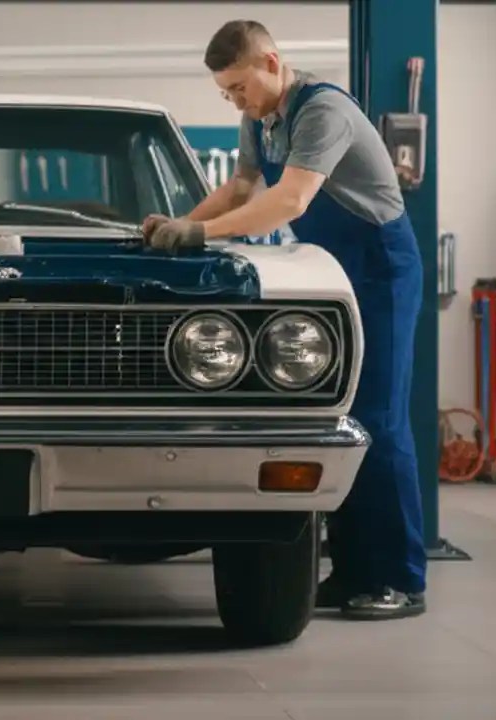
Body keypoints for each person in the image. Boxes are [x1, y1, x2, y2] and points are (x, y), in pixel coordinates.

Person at [143, 19, 427, 620]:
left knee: (380, 419)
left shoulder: (323, 111)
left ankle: (400, 579)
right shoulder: (260, 119)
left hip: (382, 267)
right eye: (226, 93)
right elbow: (240, 188)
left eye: (240, 86)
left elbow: (289, 200)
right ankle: (352, 572)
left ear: (271, 63)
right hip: (337, 270)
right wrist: (170, 227)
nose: (235, 100)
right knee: (339, 416)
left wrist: (197, 235)